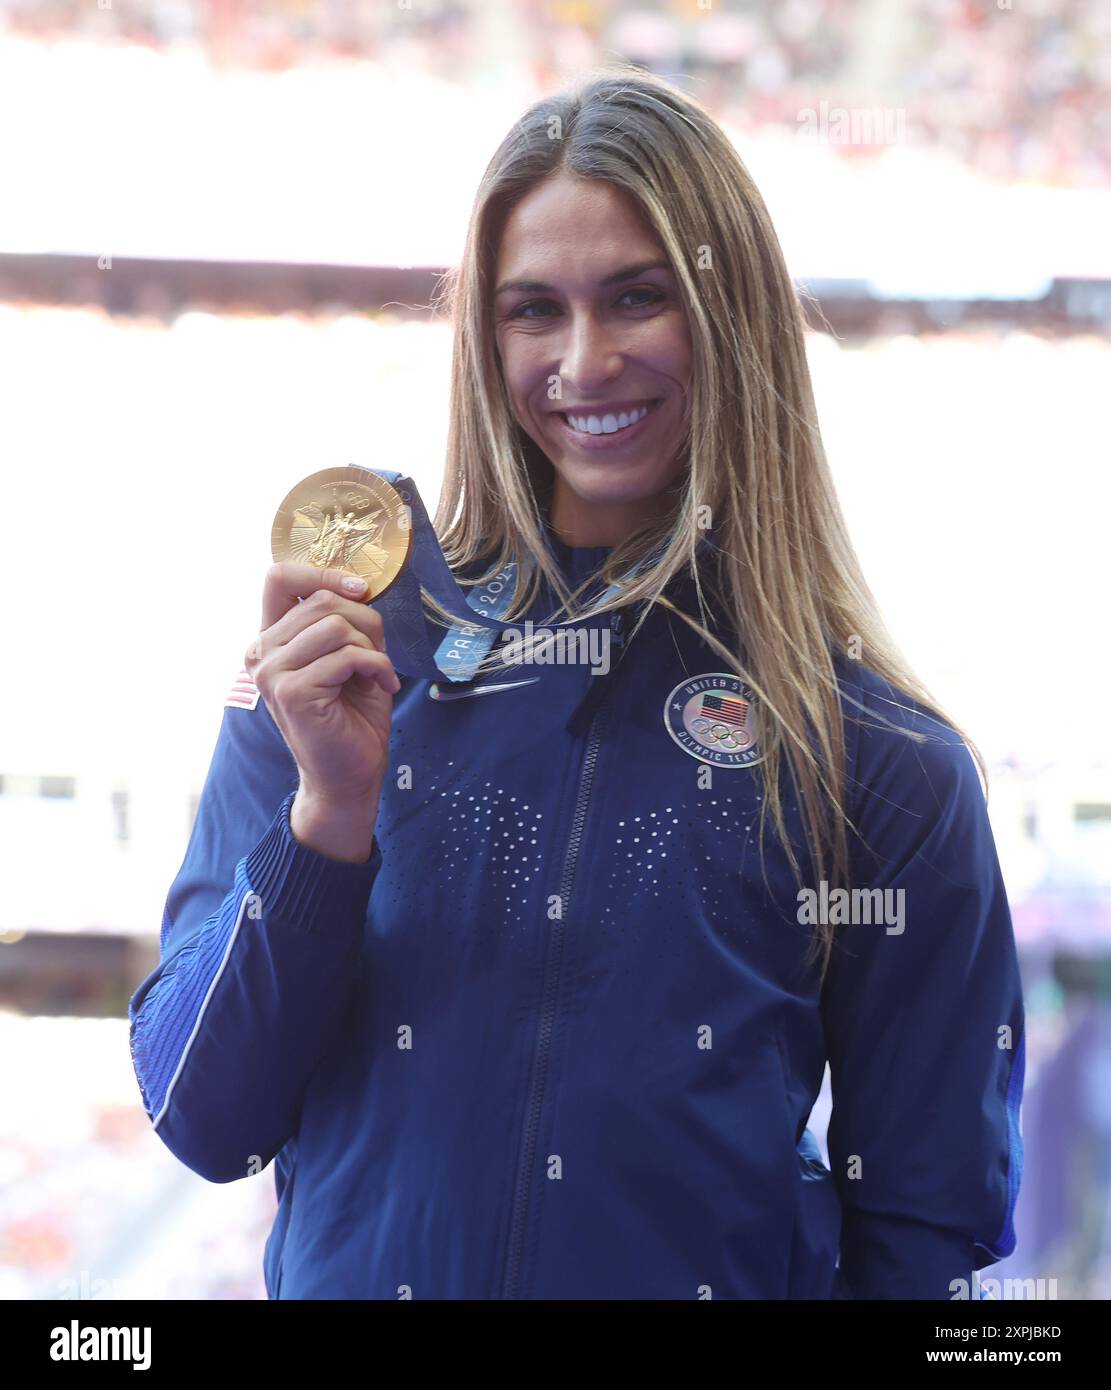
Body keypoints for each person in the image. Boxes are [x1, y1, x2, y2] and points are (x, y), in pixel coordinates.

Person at [128, 65, 1024, 1300]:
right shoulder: (335, 666)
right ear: (482, 338)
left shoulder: (875, 755)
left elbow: (926, 1236)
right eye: (533, 310)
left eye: (637, 298)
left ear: (734, 317)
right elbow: (199, 1113)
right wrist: (328, 824)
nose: (584, 360)